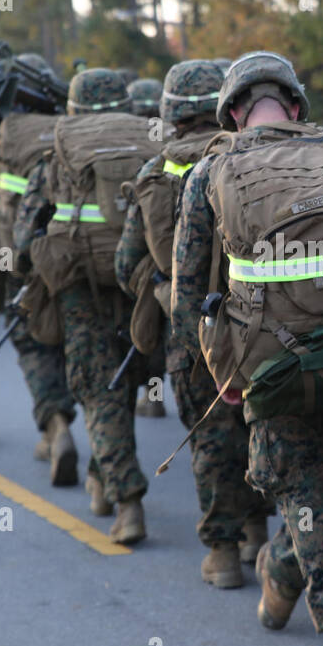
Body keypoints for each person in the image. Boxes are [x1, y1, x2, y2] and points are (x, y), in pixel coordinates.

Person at [173, 51, 323, 646]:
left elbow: (187, 300)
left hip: (270, 368)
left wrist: (217, 375)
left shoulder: (211, 170)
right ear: (294, 105)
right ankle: (284, 574)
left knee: (301, 489)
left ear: (233, 111)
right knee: (319, 480)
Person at [115, 58, 271, 586]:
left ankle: (222, 553)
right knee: (258, 423)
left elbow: (124, 262)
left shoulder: (155, 171)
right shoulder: (254, 155)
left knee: (209, 438)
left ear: (170, 112)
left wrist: (161, 290)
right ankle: (257, 532)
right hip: (259, 322)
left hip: (192, 329)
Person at [13, 68, 153, 544]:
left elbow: (24, 230)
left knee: (97, 388)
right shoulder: (149, 141)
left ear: (73, 109)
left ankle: (127, 500)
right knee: (126, 380)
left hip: (80, 287)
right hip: (139, 284)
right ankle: (102, 474)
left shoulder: (58, 149)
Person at [0, 53, 78, 485]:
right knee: (80, 346)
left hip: (17, 265)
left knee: (34, 347)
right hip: (73, 259)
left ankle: (55, 427)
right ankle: (110, 471)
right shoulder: (69, 135)